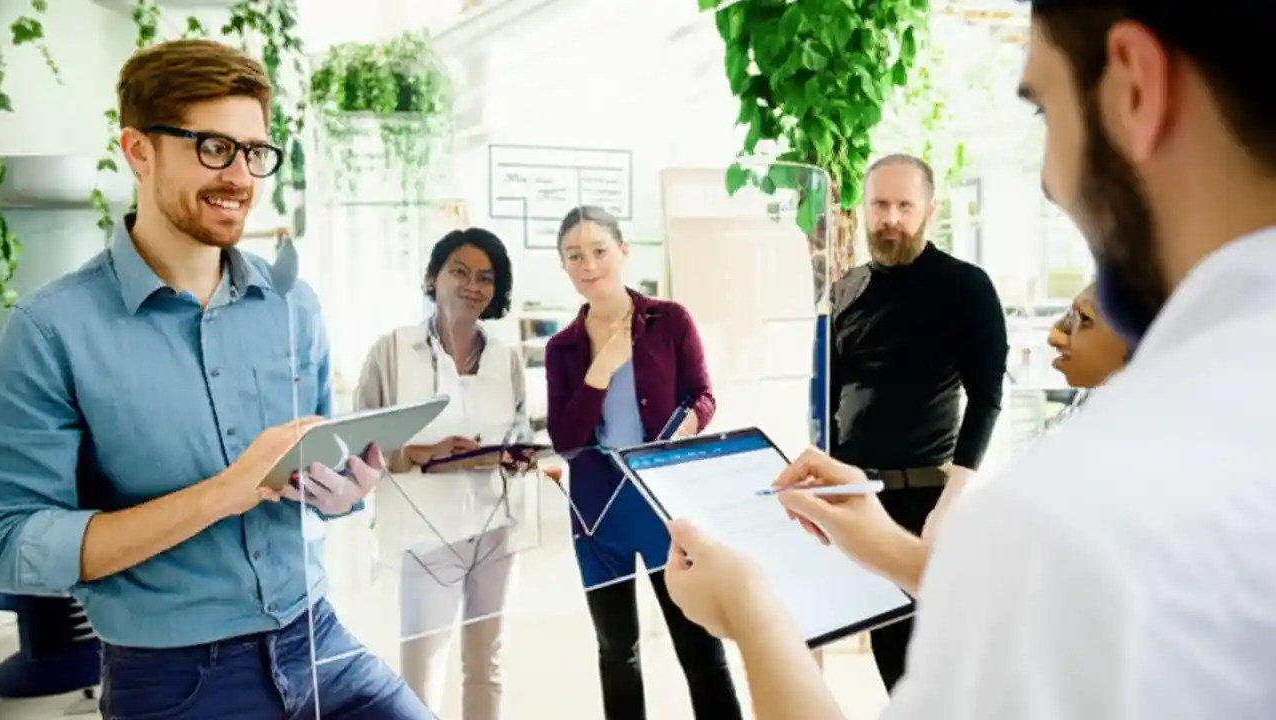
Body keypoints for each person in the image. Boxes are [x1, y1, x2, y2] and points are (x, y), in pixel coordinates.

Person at [664, 2, 1276, 718]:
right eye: (878, 204)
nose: (1050, 180)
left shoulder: (1078, 514)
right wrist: (894, 552)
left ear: (1135, 89)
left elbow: (992, 411)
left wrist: (751, 611)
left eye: (1045, 110)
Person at [0, 40, 431, 719]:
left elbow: (317, 490)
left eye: (254, 152)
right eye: (212, 148)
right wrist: (228, 490)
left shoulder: (294, 306)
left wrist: (343, 492)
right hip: (173, 681)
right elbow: (14, 544)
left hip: (318, 641)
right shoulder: (50, 328)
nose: (240, 176)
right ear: (138, 150)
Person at [544, 206, 743, 720]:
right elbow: (566, 440)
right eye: (574, 256)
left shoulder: (669, 320)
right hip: (597, 515)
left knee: (697, 645)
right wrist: (600, 371)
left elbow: (703, 395)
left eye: (599, 251)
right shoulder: (563, 347)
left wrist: (687, 425)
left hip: (664, 504)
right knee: (617, 651)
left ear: (624, 252)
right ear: (563, 265)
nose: (588, 264)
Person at [826, 152, 1008, 691]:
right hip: (856, 492)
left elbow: (987, 397)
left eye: (905, 205)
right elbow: (829, 395)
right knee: (886, 645)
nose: (891, 218)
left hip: (927, 496)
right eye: (880, 204)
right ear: (864, 208)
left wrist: (951, 503)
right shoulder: (845, 290)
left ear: (929, 209)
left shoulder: (966, 287)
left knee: (929, 654)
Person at [354, 228, 529, 720]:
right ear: (433, 277)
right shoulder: (392, 350)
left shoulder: (506, 359)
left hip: (495, 529)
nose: (472, 285)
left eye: (486, 277)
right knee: (420, 673)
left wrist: (512, 456)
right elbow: (357, 446)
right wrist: (425, 454)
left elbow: (516, 432)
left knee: (487, 665)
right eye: (459, 271)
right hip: (425, 535)